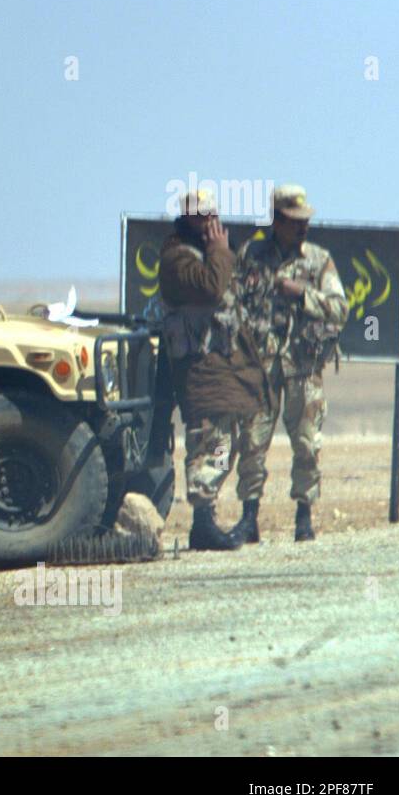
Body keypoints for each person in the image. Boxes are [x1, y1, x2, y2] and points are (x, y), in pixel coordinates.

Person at [231, 185, 348, 542]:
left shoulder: (317, 259)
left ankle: (303, 516)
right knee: (251, 441)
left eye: (306, 221)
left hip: (303, 365)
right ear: (277, 221)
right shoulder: (251, 254)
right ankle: (249, 517)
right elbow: (230, 303)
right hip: (260, 368)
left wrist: (304, 295)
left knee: (307, 443)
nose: (304, 228)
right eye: (296, 221)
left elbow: (340, 309)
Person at [158, 188, 266, 550]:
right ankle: (201, 524)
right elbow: (210, 289)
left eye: (212, 214)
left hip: (223, 372)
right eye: (202, 215)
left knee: (226, 445)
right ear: (188, 217)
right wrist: (221, 250)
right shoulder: (177, 257)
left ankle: (211, 519)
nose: (210, 222)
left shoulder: (206, 254)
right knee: (208, 443)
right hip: (200, 373)